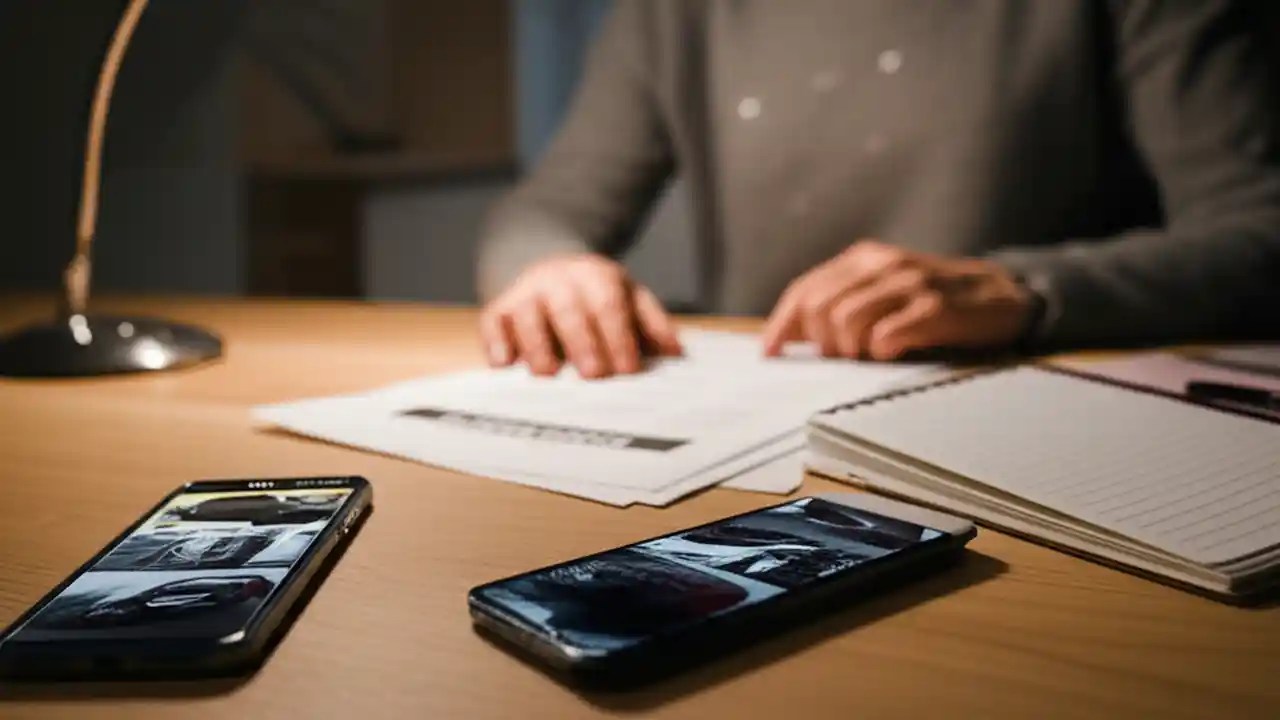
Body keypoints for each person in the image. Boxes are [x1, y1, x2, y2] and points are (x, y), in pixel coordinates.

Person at [477, 1, 1280, 379]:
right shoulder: (675, 12)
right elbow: (550, 208)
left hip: (1038, 419)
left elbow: (1258, 233)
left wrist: (1027, 290)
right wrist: (548, 268)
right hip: (757, 429)